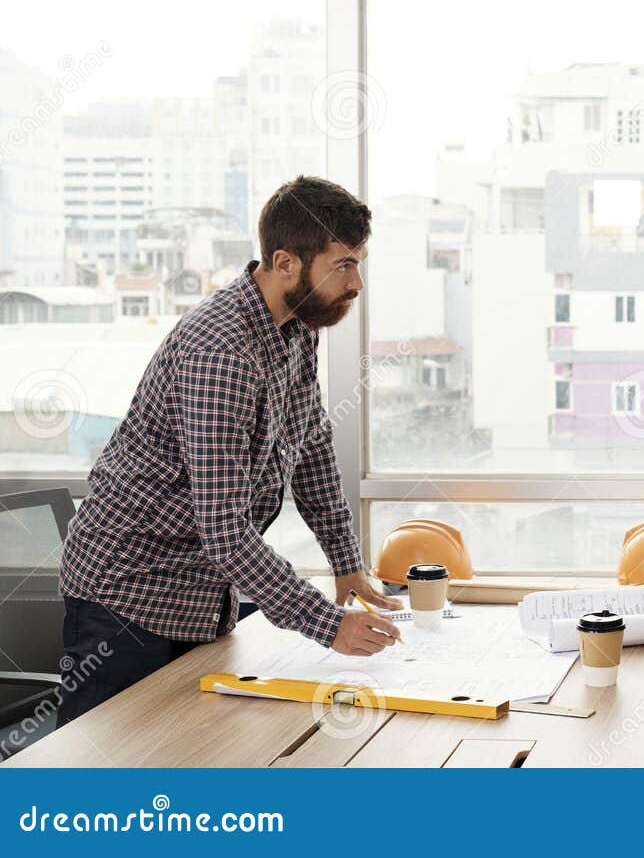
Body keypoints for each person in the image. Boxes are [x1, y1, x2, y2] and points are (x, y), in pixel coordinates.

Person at [56, 176, 401, 724]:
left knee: (194, 756)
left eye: (359, 261)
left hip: (201, 592)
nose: (357, 281)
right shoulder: (220, 351)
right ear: (286, 262)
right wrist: (326, 624)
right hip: (126, 595)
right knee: (102, 772)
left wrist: (347, 565)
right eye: (342, 264)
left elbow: (310, 448)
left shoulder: (295, 328)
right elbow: (224, 529)